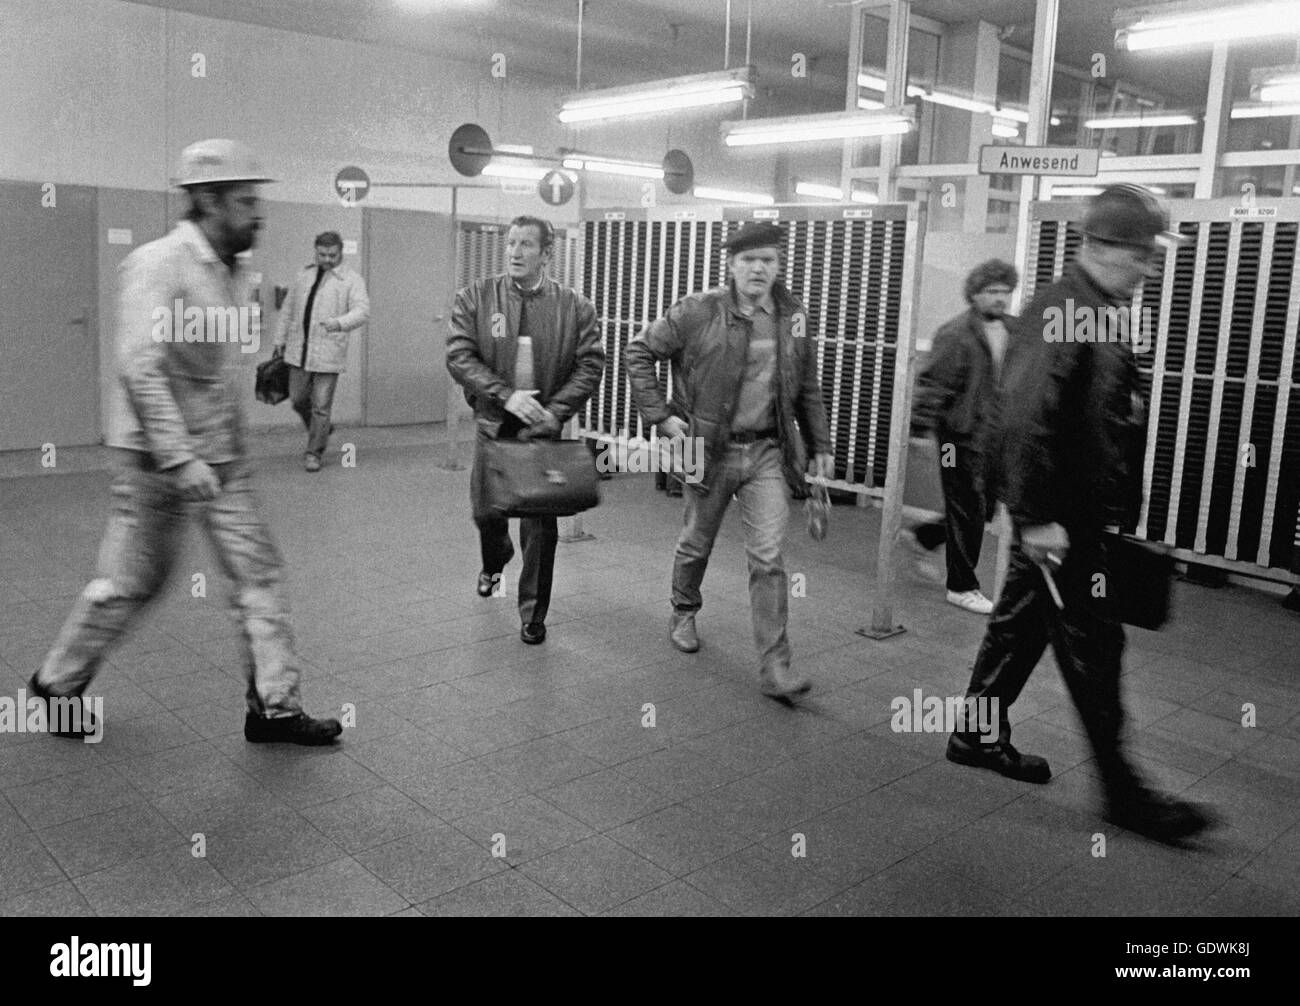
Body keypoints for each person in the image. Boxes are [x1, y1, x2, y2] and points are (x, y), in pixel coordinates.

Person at [29, 139, 342, 745]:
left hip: (223, 457)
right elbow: (140, 366)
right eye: (246, 202)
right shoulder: (158, 263)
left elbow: (218, 371)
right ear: (206, 200)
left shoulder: (238, 269)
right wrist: (179, 456)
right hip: (154, 459)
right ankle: (58, 682)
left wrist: (223, 447)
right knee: (133, 582)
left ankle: (274, 707)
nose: (259, 214)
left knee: (258, 574)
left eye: (258, 201)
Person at [946, 184, 1216, 843]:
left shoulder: (1093, 307)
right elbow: (1020, 420)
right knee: (1097, 650)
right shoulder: (1064, 310)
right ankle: (1126, 796)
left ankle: (976, 736)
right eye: (1144, 256)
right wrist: (1036, 518)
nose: (1151, 268)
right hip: (1060, 525)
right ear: (1102, 247)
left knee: (1019, 627)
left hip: (1070, 521)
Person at [625, 222, 834, 701]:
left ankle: (776, 666)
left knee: (767, 556)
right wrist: (661, 417)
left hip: (767, 451)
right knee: (696, 542)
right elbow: (639, 351)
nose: (759, 268)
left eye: (768, 260)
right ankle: (683, 609)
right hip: (704, 446)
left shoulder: (792, 316)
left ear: (779, 266)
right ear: (731, 265)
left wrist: (820, 446)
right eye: (748, 260)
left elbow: (806, 388)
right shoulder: (699, 310)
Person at [445, 215, 604, 645]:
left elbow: (590, 365)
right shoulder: (477, 297)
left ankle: (533, 612)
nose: (515, 252)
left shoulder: (574, 307)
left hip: (542, 426)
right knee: (486, 512)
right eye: (511, 243)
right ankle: (495, 560)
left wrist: (555, 412)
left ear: (546, 254)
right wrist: (504, 395)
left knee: (539, 521)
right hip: (494, 421)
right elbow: (460, 356)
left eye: (526, 245)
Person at [904, 260, 1021, 614]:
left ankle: (925, 537)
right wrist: (920, 430)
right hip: (957, 437)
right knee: (967, 507)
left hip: (993, 437)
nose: (1000, 298)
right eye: (992, 292)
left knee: (982, 510)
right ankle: (961, 586)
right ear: (974, 294)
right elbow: (932, 385)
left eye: (1005, 292)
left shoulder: (1013, 329)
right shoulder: (955, 334)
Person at [272, 231, 369, 471]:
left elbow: (362, 311)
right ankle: (323, 429)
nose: (327, 259)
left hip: (328, 352)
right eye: (322, 254)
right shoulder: (303, 275)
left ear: (340, 253)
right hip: (299, 351)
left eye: (332, 255)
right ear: (315, 251)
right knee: (297, 399)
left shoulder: (351, 280)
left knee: (321, 406)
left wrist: (339, 323)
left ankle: (314, 452)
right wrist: (279, 339)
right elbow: (288, 310)